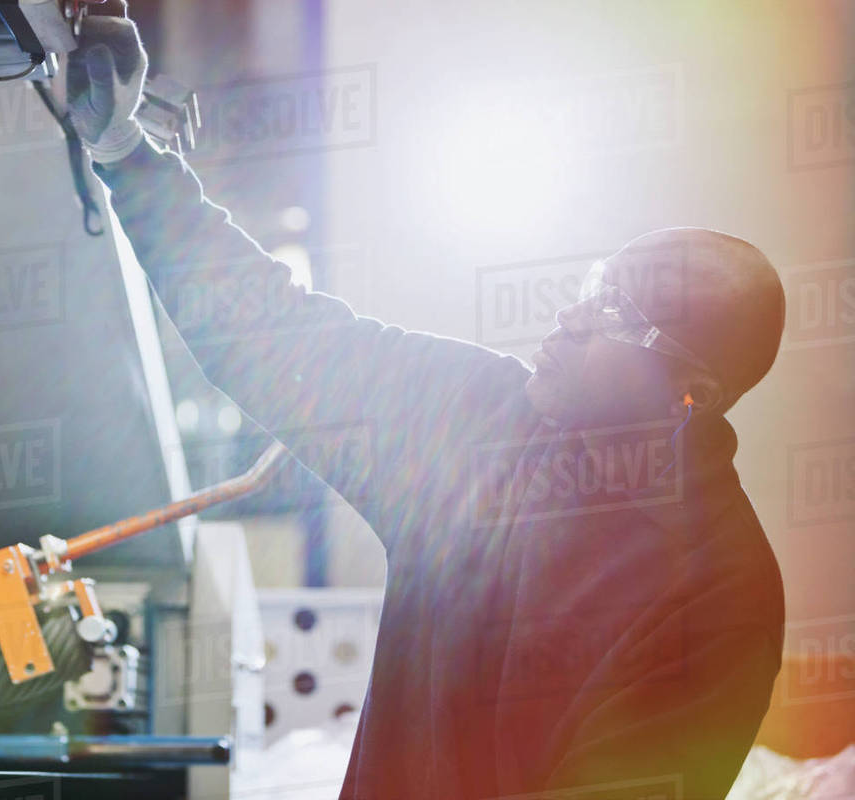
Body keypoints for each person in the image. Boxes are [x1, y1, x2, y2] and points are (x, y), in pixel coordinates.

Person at [65, 17, 786, 800]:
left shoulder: (722, 593)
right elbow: (277, 335)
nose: (573, 317)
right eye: (590, 287)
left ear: (696, 394)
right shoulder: (477, 419)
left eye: (618, 313)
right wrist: (125, 151)